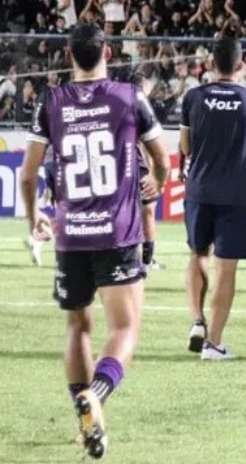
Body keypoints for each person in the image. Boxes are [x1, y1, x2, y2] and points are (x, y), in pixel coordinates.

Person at [18, 23, 170, 459]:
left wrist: (36, 219)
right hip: (117, 231)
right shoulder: (128, 96)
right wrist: (156, 184)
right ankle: (96, 398)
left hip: (71, 234)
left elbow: (28, 175)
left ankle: (86, 421)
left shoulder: (51, 101)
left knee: (77, 326)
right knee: (124, 327)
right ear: (107, 51)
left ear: (69, 55)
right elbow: (161, 158)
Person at [180, 36, 246, 360]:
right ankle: (214, 344)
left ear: (210, 63)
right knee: (226, 269)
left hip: (198, 189)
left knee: (197, 255)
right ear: (241, 65)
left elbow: (186, 147)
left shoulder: (193, 97)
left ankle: (196, 320)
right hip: (233, 193)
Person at [134, 74, 164, 273]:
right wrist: (155, 174)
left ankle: (143, 259)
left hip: (128, 167)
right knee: (148, 211)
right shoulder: (140, 105)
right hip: (139, 168)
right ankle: (146, 260)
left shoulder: (123, 104)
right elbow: (152, 147)